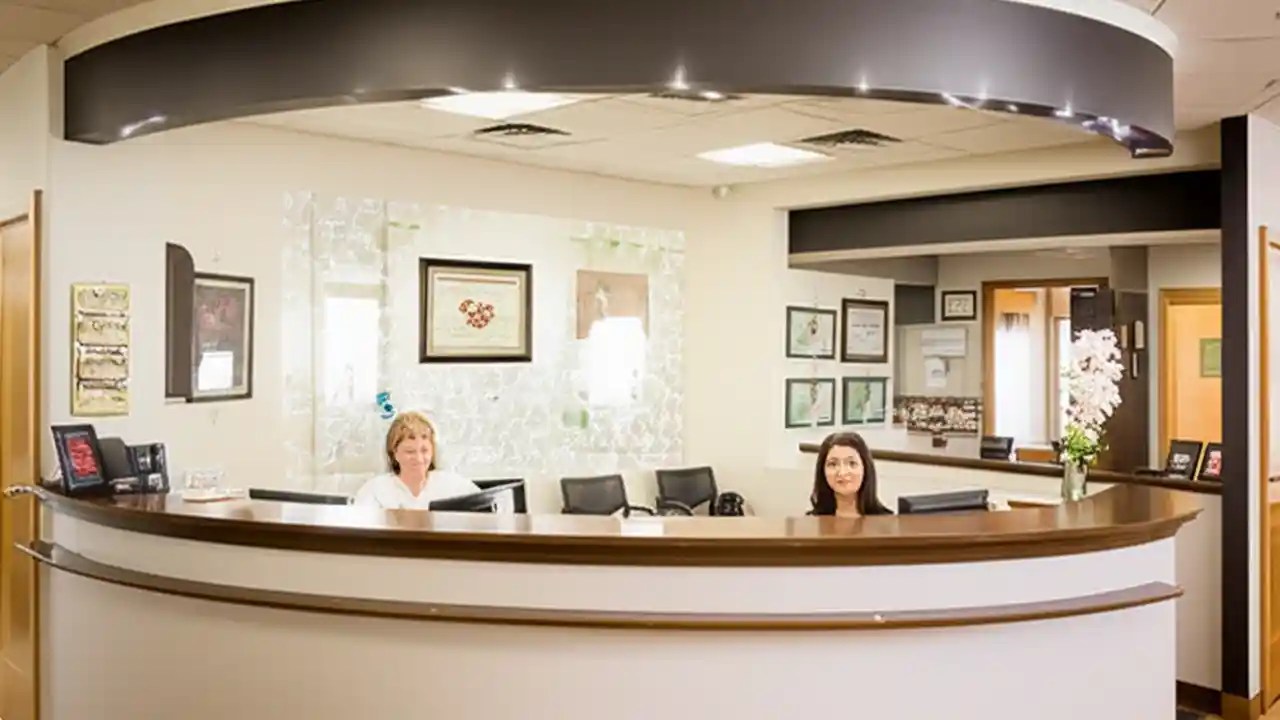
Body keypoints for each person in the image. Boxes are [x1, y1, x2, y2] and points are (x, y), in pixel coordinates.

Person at [353, 411, 480, 509]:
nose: (419, 459)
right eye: (410, 452)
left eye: (424, 451)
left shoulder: (454, 485)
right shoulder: (375, 491)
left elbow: (488, 508)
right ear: (394, 453)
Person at [809, 431, 892, 517]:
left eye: (852, 463)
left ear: (865, 468)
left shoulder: (888, 523)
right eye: (833, 464)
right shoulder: (811, 522)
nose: (842, 473)